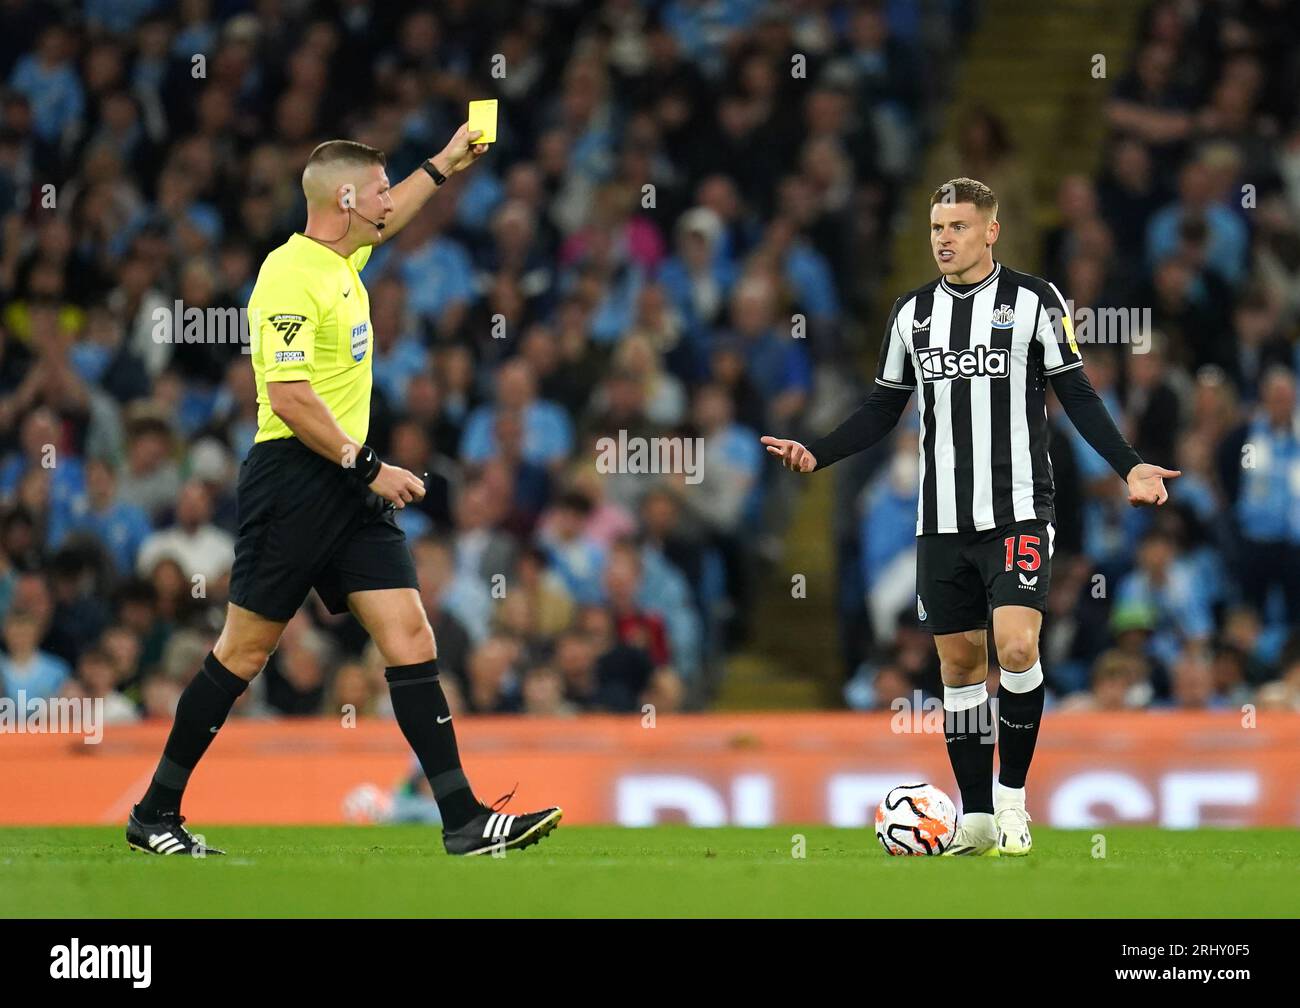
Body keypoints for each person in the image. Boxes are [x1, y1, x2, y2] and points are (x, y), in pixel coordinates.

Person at [126, 127, 561, 858]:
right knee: (243, 652)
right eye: (383, 188)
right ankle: (154, 813)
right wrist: (370, 469)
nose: (392, 201)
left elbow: (401, 212)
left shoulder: (343, 260)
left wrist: (443, 165)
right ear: (348, 197)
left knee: (411, 636)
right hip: (295, 479)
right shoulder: (289, 276)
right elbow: (289, 397)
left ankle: (462, 818)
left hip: (346, 484)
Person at [761, 178, 1178, 857]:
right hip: (941, 519)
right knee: (958, 667)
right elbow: (880, 408)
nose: (943, 239)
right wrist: (819, 451)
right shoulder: (912, 314)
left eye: (957, 226)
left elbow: (1074, 390)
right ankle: (977, 816)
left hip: (1017, 510)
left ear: (990, 231)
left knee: (1015, 647)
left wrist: (1128, 463)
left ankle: (1013, 801)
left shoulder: (1034, 301)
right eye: (935, 228)